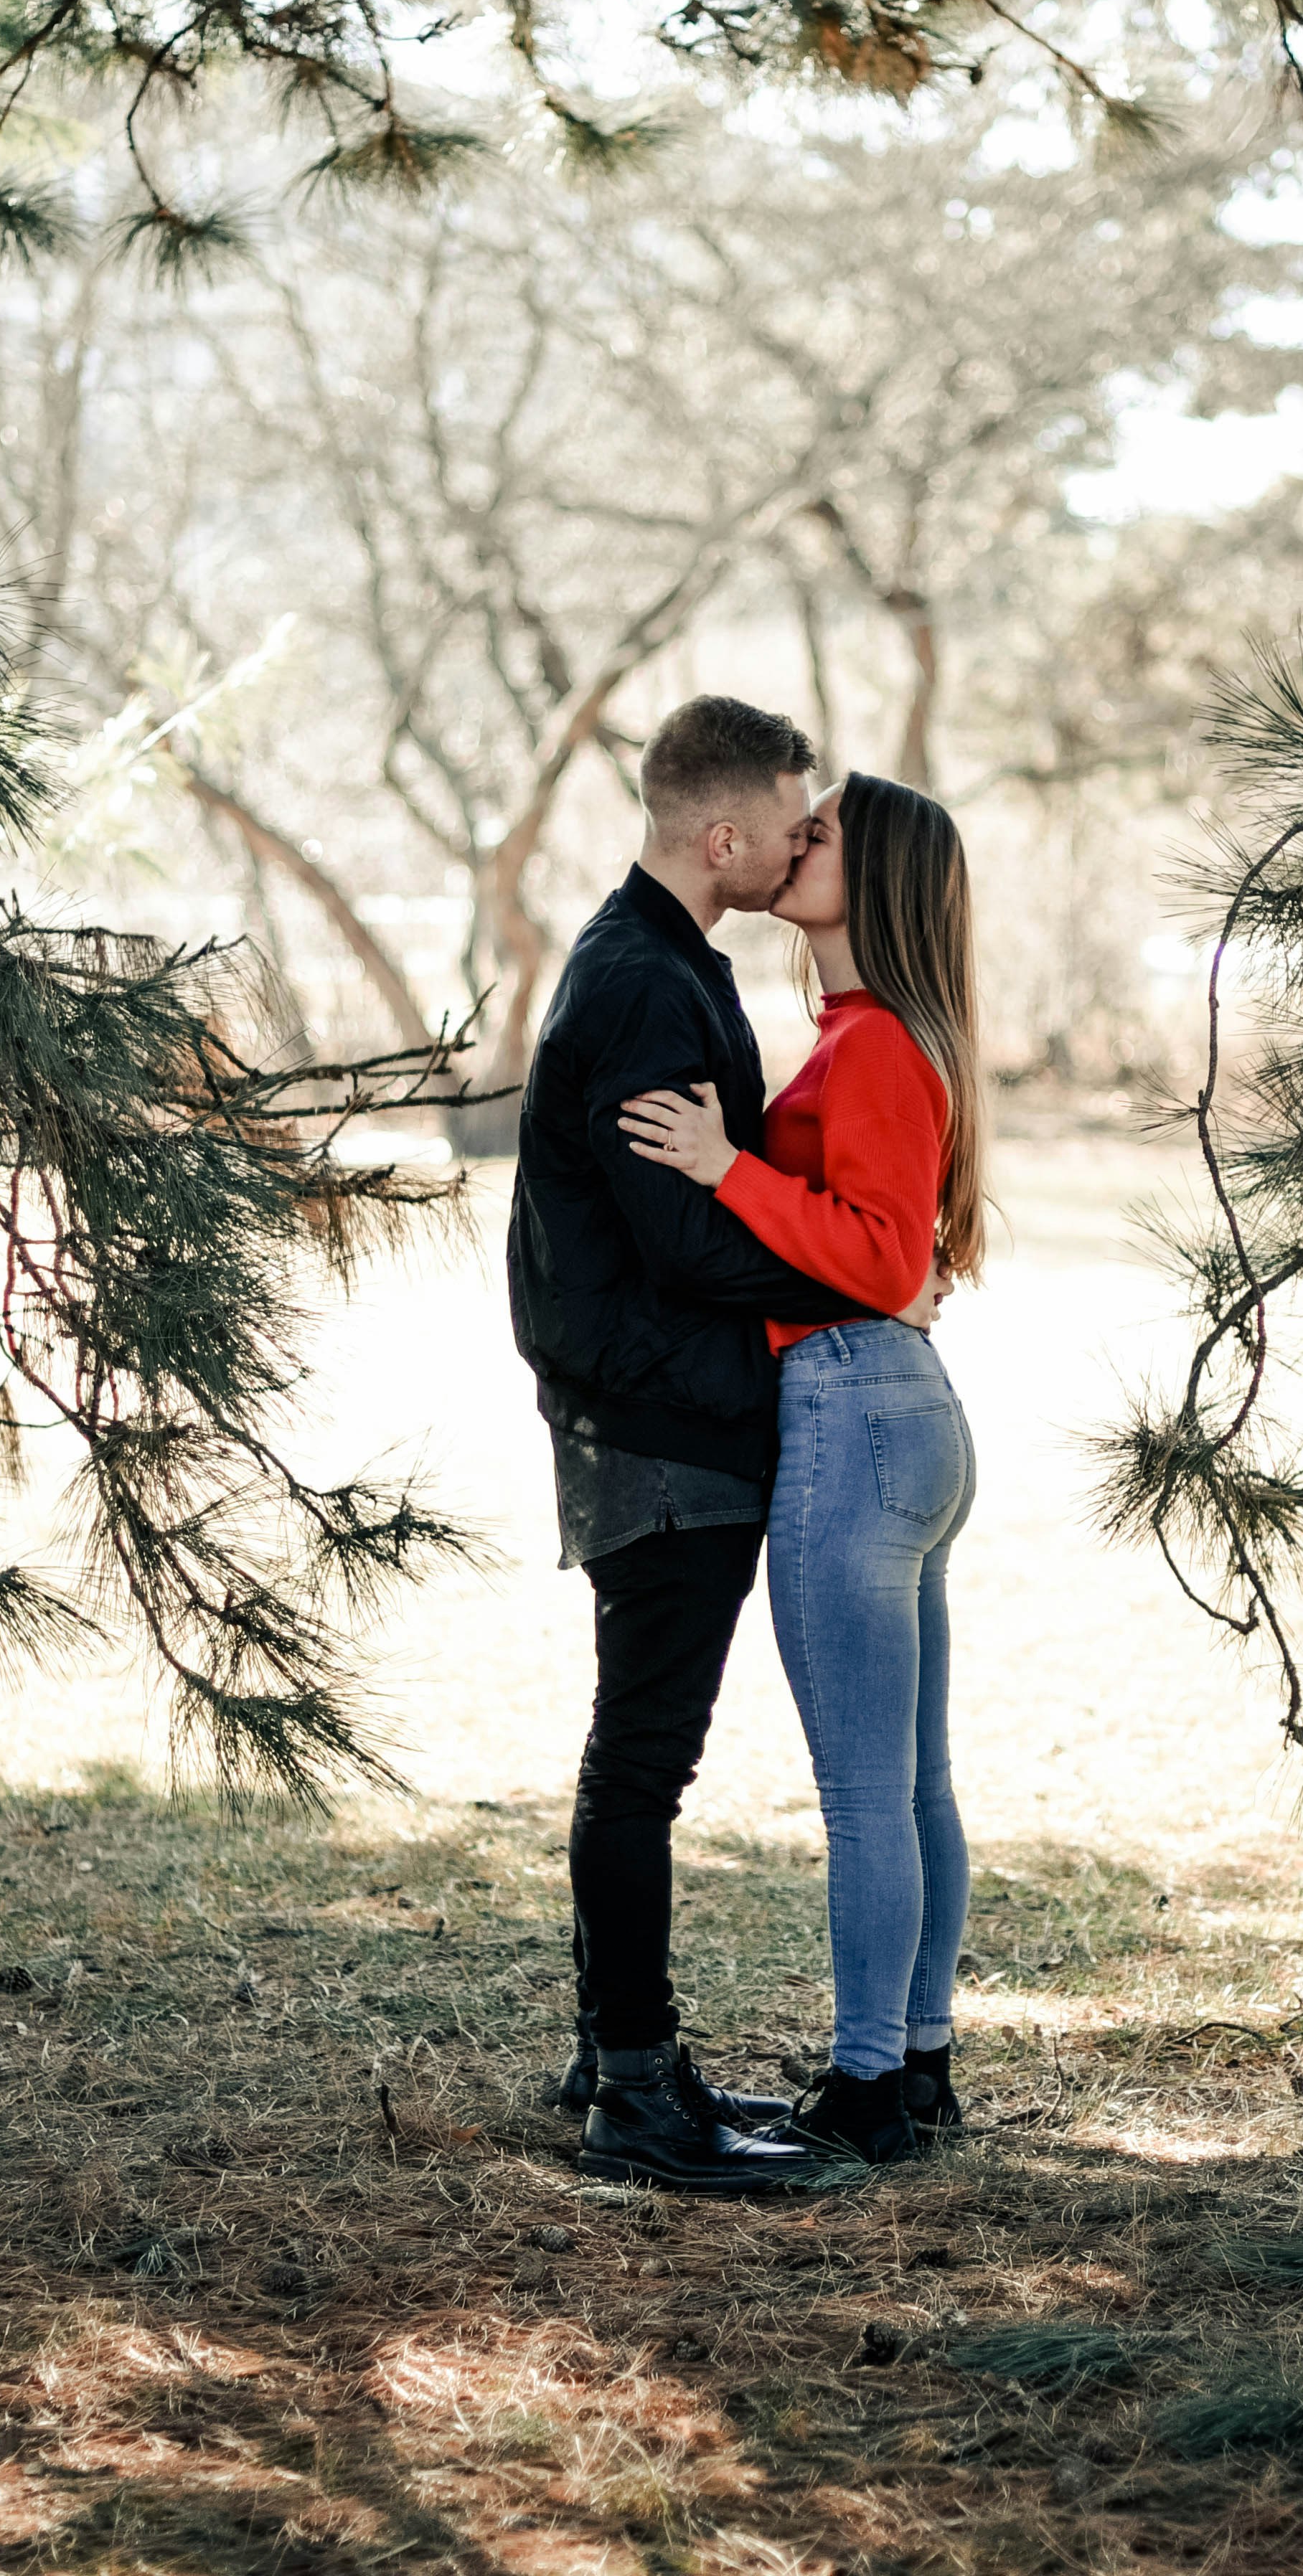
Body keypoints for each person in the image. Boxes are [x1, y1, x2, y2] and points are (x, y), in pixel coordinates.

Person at [507, 694, 911, 2194]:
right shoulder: (644, 988)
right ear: (722, 835)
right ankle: (633, 2094)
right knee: (642, 1761)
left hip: (661, 1410)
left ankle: (617, 2051)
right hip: (661, 1421)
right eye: (794, 822)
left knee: (637, 1754)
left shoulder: (660, 967)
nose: (810, 841)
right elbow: (681, 1242)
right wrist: (866, 1268)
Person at [618, 770, 984, 2167]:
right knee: (912, 1782)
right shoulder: (866, 1036)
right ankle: (919, 2061)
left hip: (853, 1418)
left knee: (865, 1793)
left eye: (819, 833)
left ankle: (868, 2086)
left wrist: (722, 1166)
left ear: (871, 878)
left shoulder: (878, 1040)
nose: (792, 842)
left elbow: (883, 1260)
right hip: (897, 1415)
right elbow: (893, 1243)